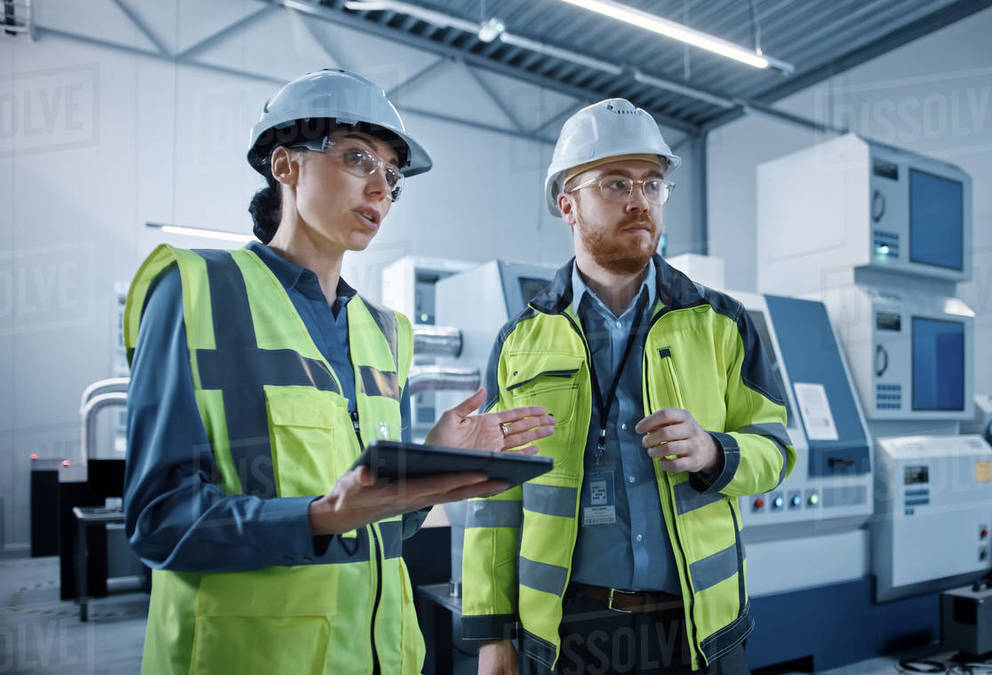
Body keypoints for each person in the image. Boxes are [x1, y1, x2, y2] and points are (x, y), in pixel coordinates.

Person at [122, 69, 555, 675]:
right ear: (285, 166)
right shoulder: (197, 291)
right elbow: (158, 521)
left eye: (392, 176)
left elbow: (377, 524)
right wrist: (321, 517)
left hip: (384, 657)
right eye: (358, 159)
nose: (381, 189)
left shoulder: (384, 332)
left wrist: (432, 460)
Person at [462, 98, 796, 674]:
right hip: (572, 633)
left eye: (653, 183)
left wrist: (717, 452)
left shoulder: (721, 323)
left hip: (700, 630)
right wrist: (493, 637)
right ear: (568, 204)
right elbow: (496, 495)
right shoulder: (519, 341)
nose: (640, 199)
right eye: (616, 183)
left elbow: (778, 446)